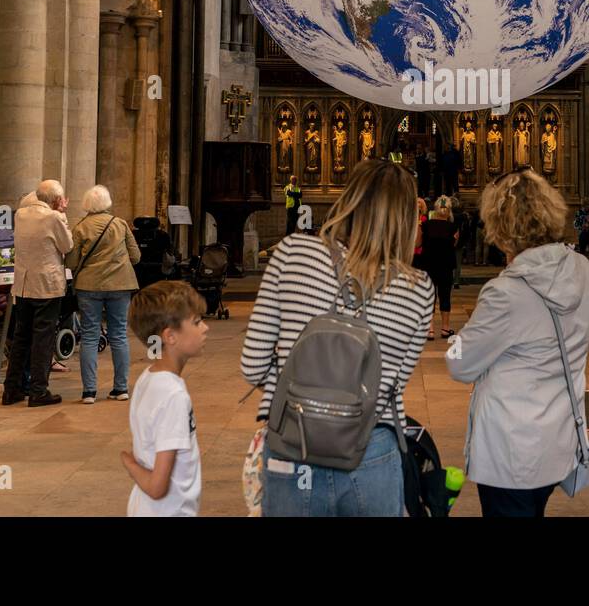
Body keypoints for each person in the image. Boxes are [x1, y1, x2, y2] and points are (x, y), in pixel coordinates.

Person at [240, 160, 435, 517]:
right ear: (408, 219)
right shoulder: (420, 289)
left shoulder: (291, 252)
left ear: (348, 200)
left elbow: (253, 366)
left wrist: (299, 394)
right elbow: (391, 387)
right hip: (371, 449)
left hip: (292, 446)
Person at [446, 168, 589, 517]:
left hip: (510, 449)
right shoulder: (582, 271)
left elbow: (459, 363)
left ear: (499, 226)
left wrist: (460, 337)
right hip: (558, 440)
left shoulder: (506, 292)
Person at [122, 281, 208, 516]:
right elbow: (157, 487)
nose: (206, 328)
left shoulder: (148, 378)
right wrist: (128, 463)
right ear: (170, 336)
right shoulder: (174, 396)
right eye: (197, 322)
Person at [68, 185, 140, 404]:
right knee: (118, 335)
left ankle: (89, 392)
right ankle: (120, 388)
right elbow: (135, 256)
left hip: (89, 286)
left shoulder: (80, 227)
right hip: (119, 285)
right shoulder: (119, 224)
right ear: (107, 202)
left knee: (89, 336)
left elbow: (71, 262)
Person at [3, 180, 73, 407]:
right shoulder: (53, 218)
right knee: (43, 338)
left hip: (23, 284)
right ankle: (38, 390)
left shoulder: (20, 215)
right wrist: (62, 215)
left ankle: (11, 389)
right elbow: (67, 245)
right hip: (46, 285)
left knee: (21, 337)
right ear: (56, 200)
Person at [423, 196, 460, 339]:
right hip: (446, 265)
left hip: (429, 264)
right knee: (445, 296)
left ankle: (430, 329)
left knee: (429, 297)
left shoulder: (426, 225)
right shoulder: (452, 227)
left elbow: (419, 243)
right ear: (449, 210)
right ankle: (445, 328)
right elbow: (454, 245)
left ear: (435, 209)